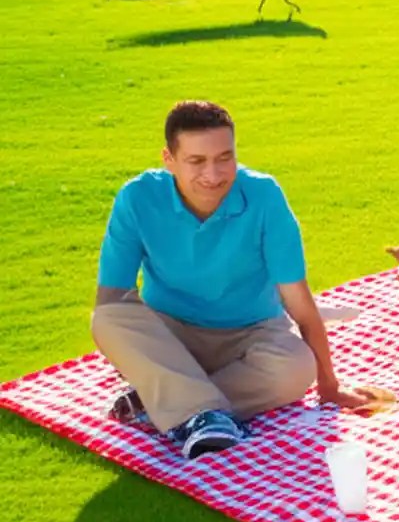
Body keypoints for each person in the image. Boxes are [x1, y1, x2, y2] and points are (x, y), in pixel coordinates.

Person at [91, 101, 369, 460]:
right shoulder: (137, 198)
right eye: (196, 161)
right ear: (169, 159)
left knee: (299, 366)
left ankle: (168, 405)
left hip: (250, 334)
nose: (214, 173)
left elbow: (299, 302)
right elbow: (113, 297)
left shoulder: (264, 196)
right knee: (108, 318)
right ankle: (199, 413)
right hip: (172, 336)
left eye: (225, 157)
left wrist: (329, 384)